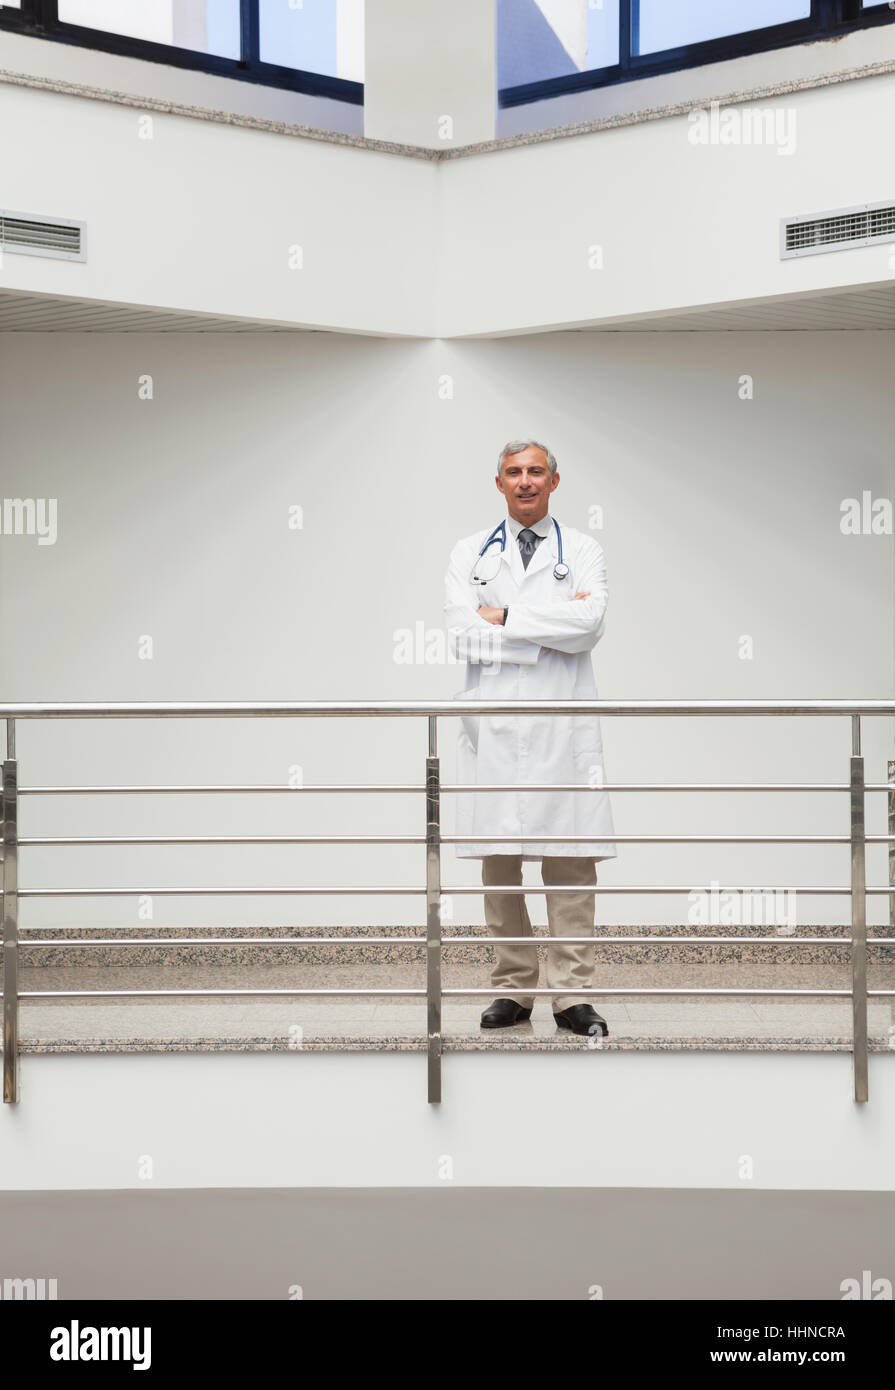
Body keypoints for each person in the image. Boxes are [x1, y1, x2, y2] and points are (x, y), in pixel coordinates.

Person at [443, 439, 617, 1037]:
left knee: (571, 866)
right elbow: (462, 634)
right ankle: (513, 988)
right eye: (514, 473)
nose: (525, 482)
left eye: (535, 472)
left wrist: (507, 617)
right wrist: (548, 624)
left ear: (554, 481)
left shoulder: (584, 549)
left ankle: (572, 996)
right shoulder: (470, 552)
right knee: (501, 865)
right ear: (498, 484)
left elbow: (589, 624)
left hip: (562, 729)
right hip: (493, 729)